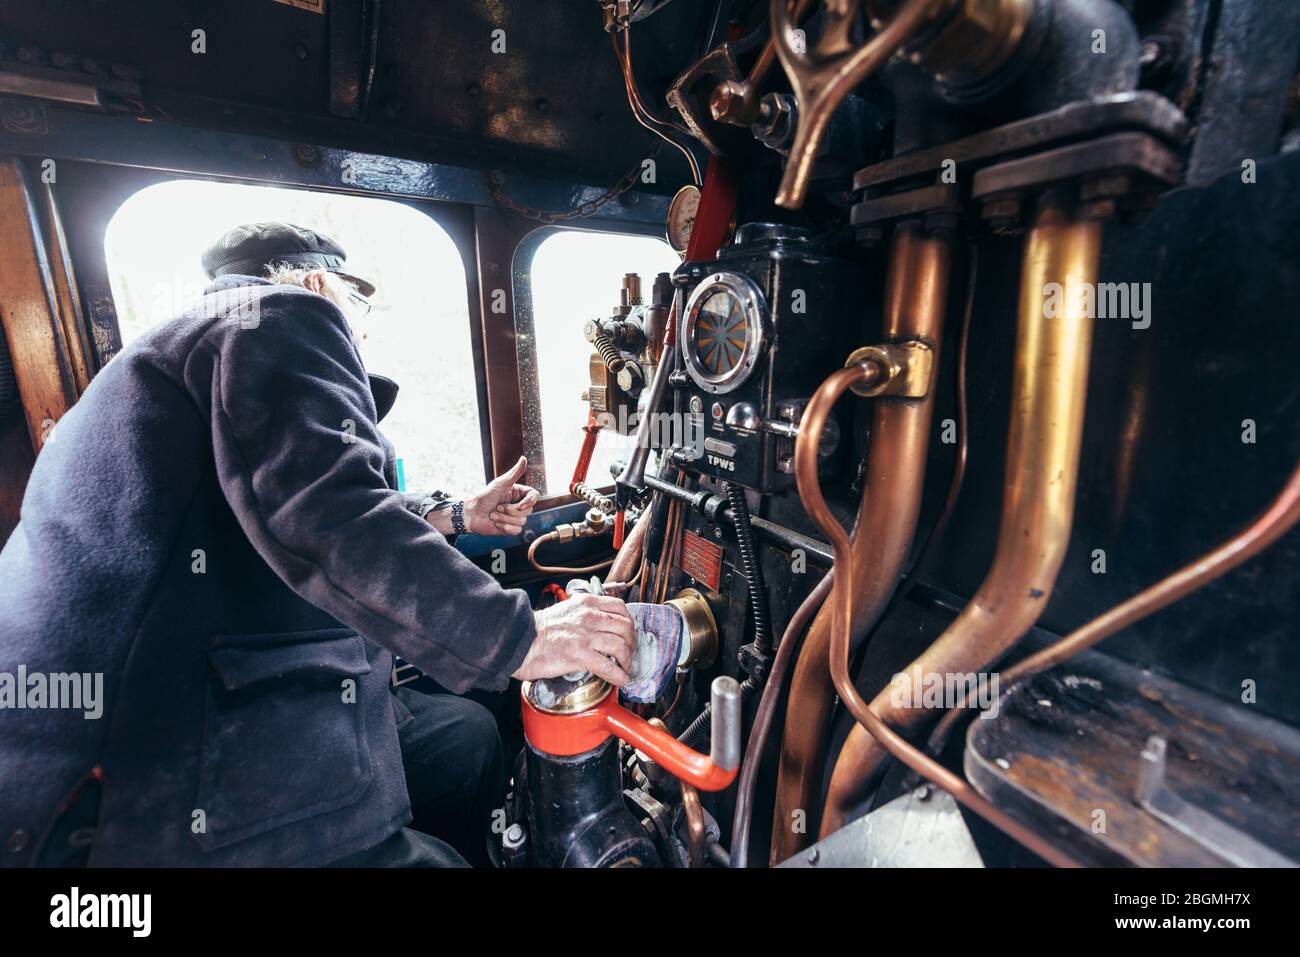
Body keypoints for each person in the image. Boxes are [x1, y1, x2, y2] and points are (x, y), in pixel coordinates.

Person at [0, 222, 636, 867]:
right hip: (147, 768)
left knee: (462, 740)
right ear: (317, 281)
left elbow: (273, 491)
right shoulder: (280, 314)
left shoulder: (194, 339)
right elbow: (327, 510)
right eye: (360, 303)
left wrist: (453, 513)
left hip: (80, 750)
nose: (363, 328)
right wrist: (520, 637)